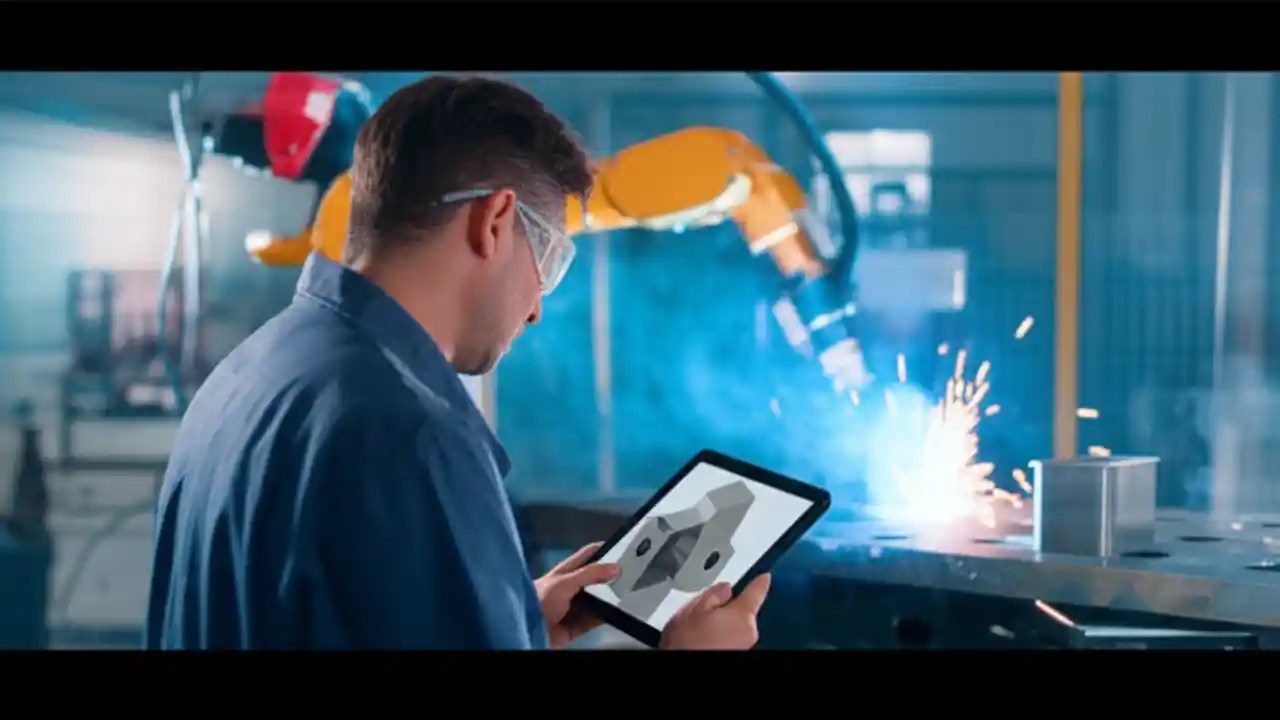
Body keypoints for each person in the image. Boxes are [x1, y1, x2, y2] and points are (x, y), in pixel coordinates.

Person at [144, 73, 772, 650]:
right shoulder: (410, 433)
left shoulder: (245, 376)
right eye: (550, 260)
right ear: (495, 220)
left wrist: (512, 625)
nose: (535, 310)